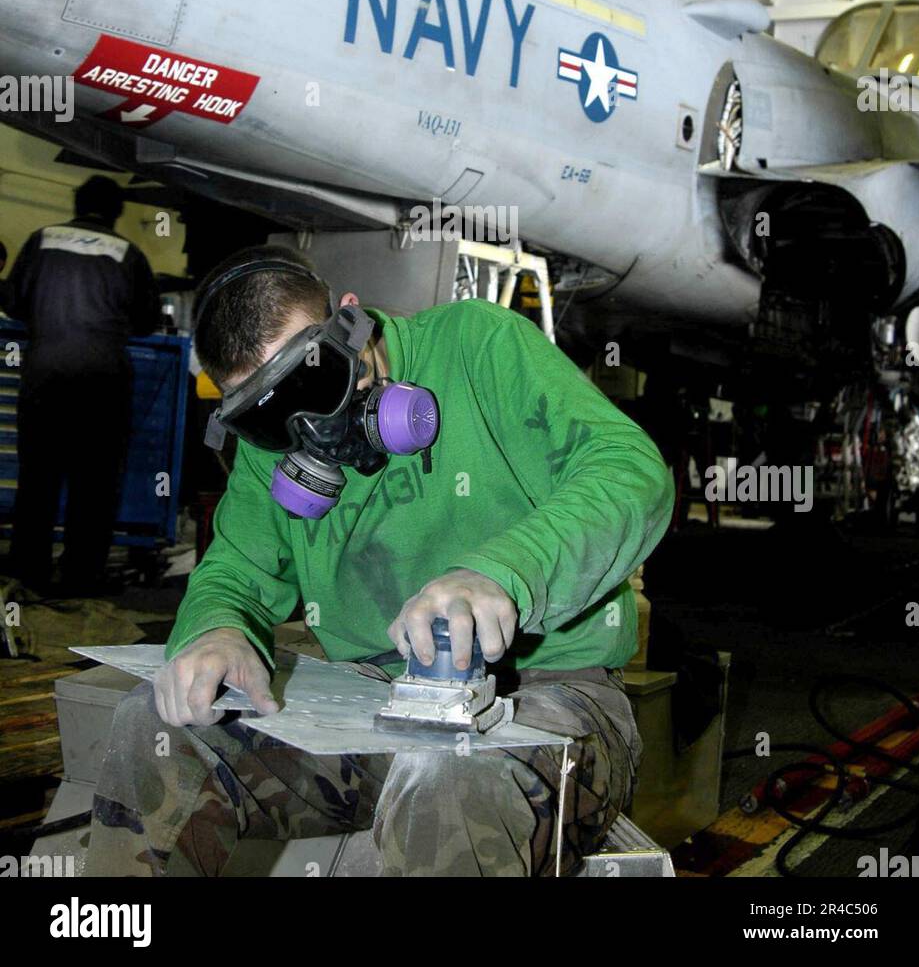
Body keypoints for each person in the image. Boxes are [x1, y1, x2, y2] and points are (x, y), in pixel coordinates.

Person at [85, 245, 674, 877]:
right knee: (157, 727)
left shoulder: (480, 346)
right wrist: (216, 628)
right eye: (268, 417)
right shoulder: (277, 448)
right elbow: (235, 571)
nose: (307, 429)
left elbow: (630, 470)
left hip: (549, 695)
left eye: (312, 382)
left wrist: (505, 571)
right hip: (369, 706)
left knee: (449, 781)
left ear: (350, 321)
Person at [6, 176, 161, 594]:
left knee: (37, 481)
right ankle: (79, 580)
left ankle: (27, 576)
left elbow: (13, 302)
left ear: (76, 202)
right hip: (102, 385)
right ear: (116, 212)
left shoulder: (41, 240)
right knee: (93, 488)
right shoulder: (128, 253)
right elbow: (147, 320)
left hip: (44, 378)